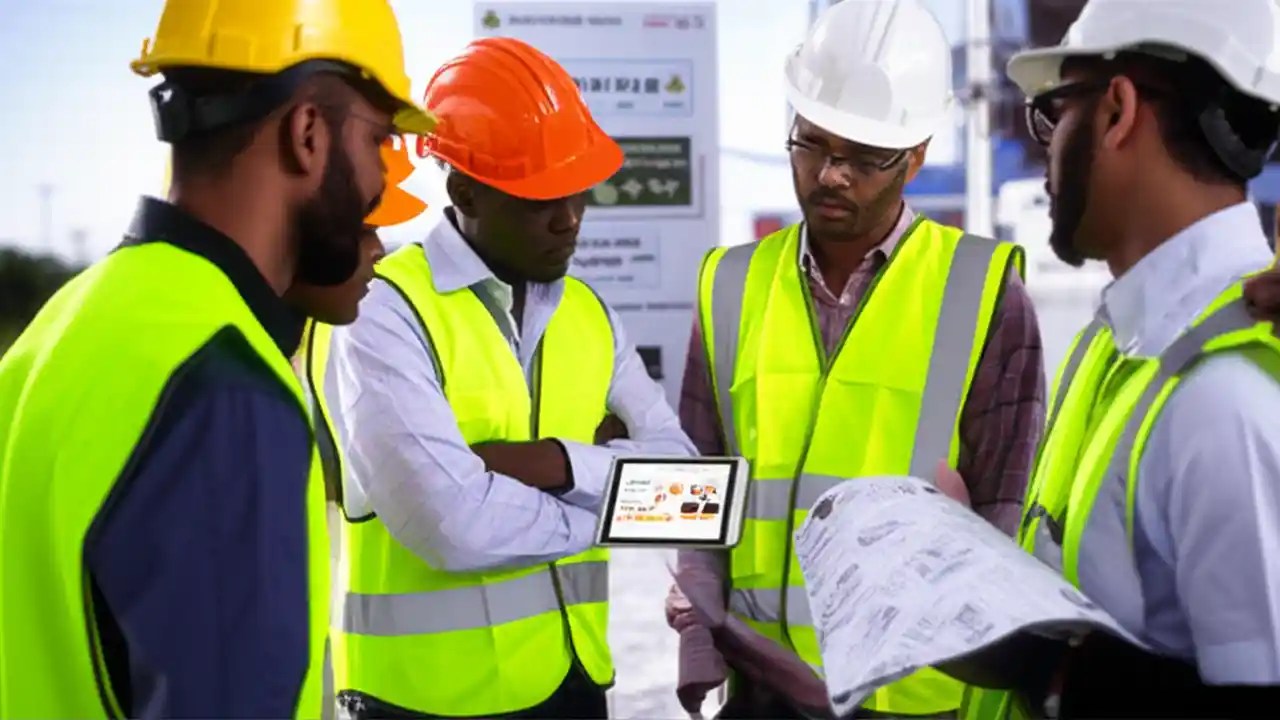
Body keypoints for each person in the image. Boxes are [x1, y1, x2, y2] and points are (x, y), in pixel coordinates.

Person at [0, 0, 432, 717]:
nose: (383, 184)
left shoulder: (68, 319)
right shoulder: (226, 385)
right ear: (309, 133)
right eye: (379, 140)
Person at [667, 1, 1047, 718]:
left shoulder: (985, 293)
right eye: (812, 145)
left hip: (915, 699)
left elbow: (1004, 522)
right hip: (763, 690)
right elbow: (698, 484)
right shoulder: (730, 285)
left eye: (863, 158)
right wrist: (699, 641)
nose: (831, 176)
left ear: (915, 157)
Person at [313, 37, 697, 719]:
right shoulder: (379, 307)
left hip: (576, 687)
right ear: (464, 192)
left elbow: (690, 492)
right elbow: (452, 525)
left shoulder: (591, 313)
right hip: (422, 701)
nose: (570, 218)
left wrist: (550, 463)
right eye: (540, 198)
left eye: (578, 191)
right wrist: (614, 496)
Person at [952, 0, 1280, 717]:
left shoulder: (1221, 398)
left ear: (1117, 111)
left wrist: (1051, 675)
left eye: (1054, 111)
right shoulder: (1121, 342)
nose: (1045, 144)